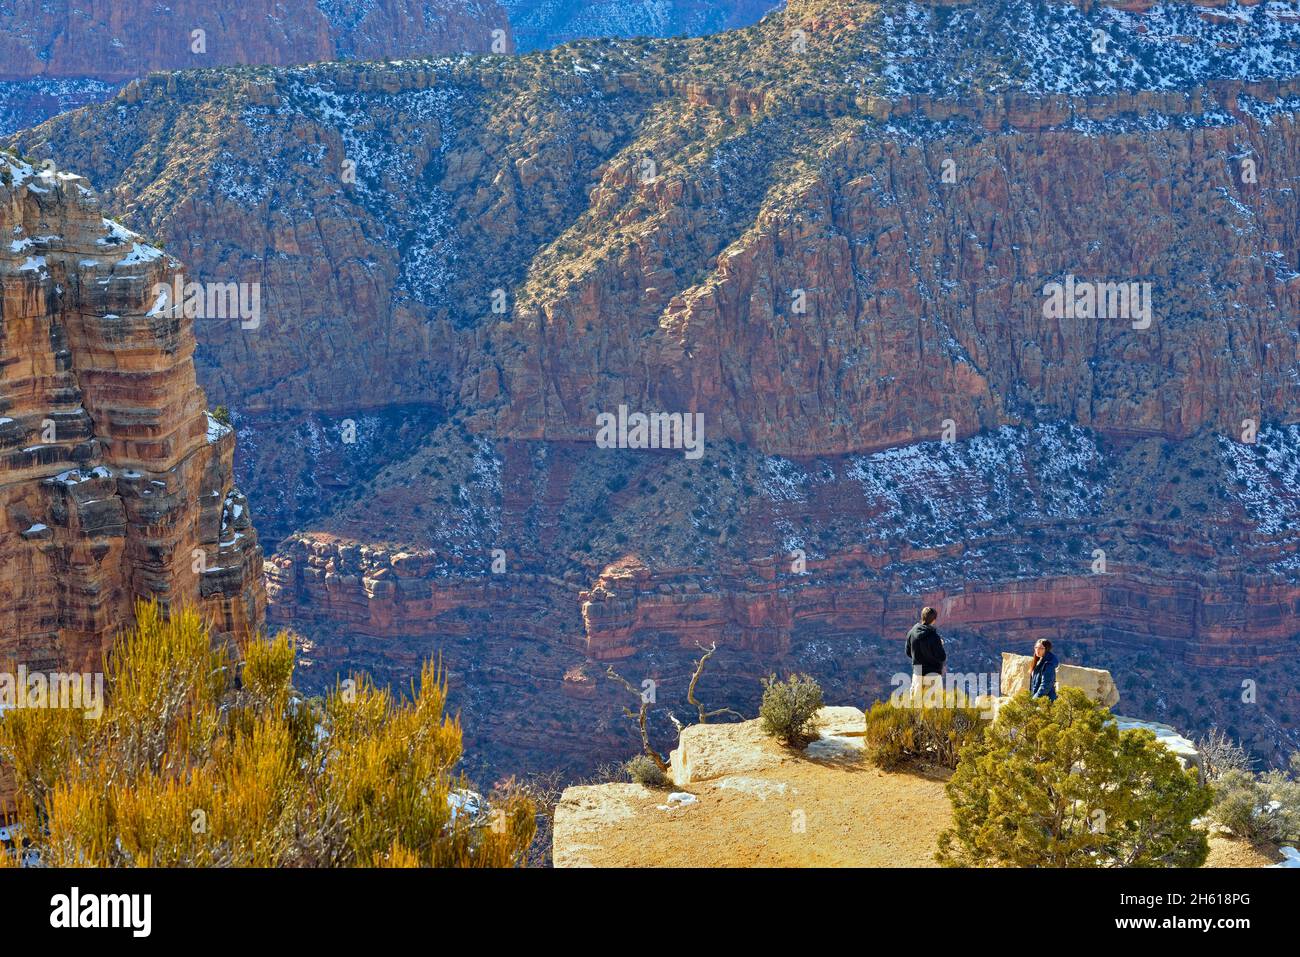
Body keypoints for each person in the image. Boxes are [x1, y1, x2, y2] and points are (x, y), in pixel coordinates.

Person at [905, 606, 947, 693]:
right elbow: (942, 657)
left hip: (917, 673)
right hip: (933, 674)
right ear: (934, 620)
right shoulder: (934, 637)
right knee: (933, 704)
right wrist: (940, 644)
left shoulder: (911, 633)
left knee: (916, 703)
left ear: (922, 617)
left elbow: (908, 652)